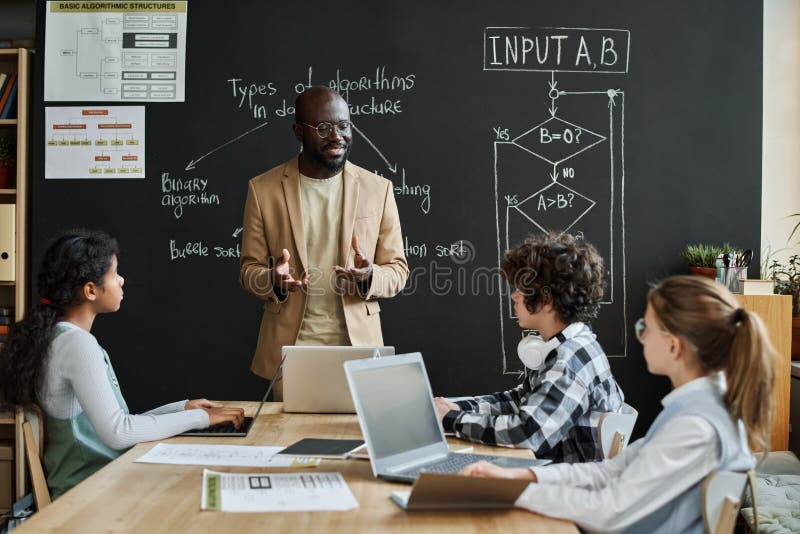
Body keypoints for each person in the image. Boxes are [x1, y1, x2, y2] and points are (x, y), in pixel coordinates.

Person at [459, 275, 777, 533]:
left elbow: (609, 512)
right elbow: (612, 471)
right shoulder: (700, 409)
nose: (641, 337)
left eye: (645, 328)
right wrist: (523, 477)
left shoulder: (694, 428)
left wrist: (513, 495)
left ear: (673, 345)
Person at [0, 231, 244, 499]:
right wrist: (202, 419)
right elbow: (118, 433)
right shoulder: (77, 345)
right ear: (90, 290)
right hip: (88, 495)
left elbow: (118, 423)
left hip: (99, 485)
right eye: (115, 274)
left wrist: (181, 409)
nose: (121, 280)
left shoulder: (61, 337)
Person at [239, 86, 408, 399]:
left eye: (343, 126)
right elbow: (248, 270)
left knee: (357, 443)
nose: (337, 136)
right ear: (298, 131)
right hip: (291, 352)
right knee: (289, 442)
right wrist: (273, 281)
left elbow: (398, 270)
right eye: (324, 128)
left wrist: (369, 275)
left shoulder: (378, 189)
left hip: (361, 349)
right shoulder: (263, 190)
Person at [434, 232, 624, 463]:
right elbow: (518, 401)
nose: (514, 295)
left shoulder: (569, 361)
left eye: (523, 287)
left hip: (564, 485)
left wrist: (452, 419)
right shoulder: (567, 345)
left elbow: (528, 433)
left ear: (547, 299)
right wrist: (455, 407)